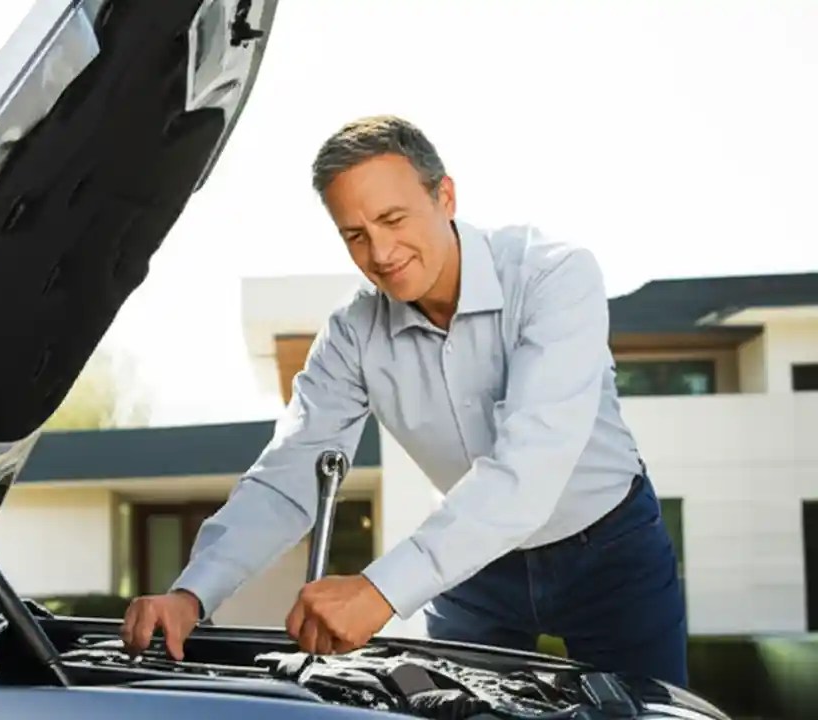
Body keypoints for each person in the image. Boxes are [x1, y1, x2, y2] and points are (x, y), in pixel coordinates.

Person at [118, 115, 688, 687]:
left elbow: (530, 471)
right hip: (475, 568)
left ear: (445, 195)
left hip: (610, 550)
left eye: (392, 219)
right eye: (355, 235)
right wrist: (191, 594)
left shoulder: (554, 278)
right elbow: (288, 475)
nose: (381, 252)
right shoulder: (351, 333)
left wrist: (379, 591)